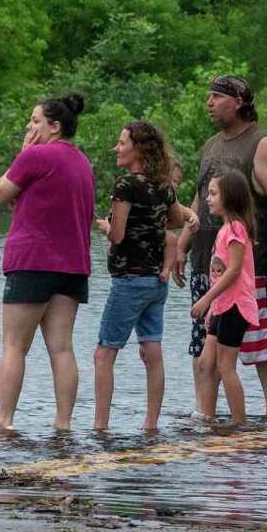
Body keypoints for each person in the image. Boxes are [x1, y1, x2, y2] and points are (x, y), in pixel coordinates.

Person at [179, 75, 267, 417]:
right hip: (207, 262)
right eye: (208, 96)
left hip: (252, 267)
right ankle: (207, 418)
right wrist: (182, 244)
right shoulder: (211, 145)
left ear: (240, 101)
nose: (209, 102)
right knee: (205, 345)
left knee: (263, 344)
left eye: (217, 96)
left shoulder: (263, 144)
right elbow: (201, 198)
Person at [0, 93, 96, 432]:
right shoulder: (82, 162)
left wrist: (23, 153)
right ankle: (63, 423)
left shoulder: (35, 155)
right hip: (72, 266)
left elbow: (0, 195)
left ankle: (5, 422)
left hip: (33, 261)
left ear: (55, 126)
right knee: (62, 348)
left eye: (35, 121)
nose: (30, 126)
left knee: (14, 346)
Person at [92, 120, 195, 431]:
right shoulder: (164, 187)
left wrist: (107, 227)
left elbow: (119, 236)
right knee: (152, 351)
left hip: (129, 280)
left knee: (104, 353)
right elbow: (177, 219)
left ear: (137, 149)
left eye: (122, 143)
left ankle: (100, 427)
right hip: (156, 282)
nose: (116, 148)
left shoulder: (125, 186)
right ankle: (150, 425)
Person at [189, 171, 259, 425]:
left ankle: (238, 421)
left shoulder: (236, 229)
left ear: (229, 197)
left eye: (214, 193)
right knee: (206, 362)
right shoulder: (224, 230)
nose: (208, 198)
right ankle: (205, 415)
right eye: (208, 193)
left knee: (225, 367)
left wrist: (206, 299)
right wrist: (213, 308)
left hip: (235, 306)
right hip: (222, 306)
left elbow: (234, 270)